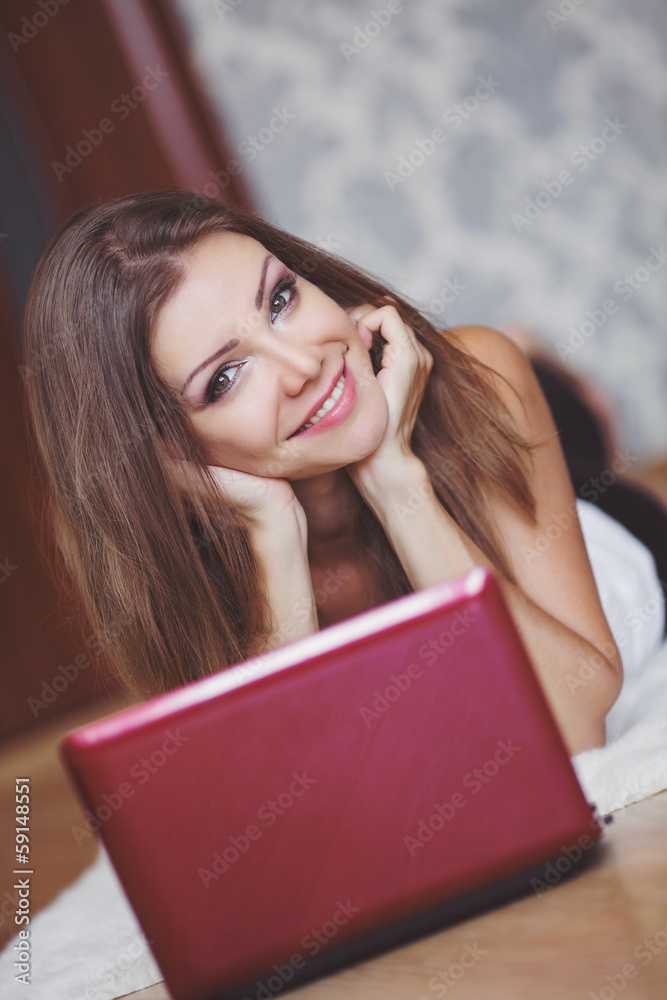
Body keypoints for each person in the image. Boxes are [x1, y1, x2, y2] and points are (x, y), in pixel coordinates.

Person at [20, 191, 664, 757]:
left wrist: (396, 478)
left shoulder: (479, 383)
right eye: (224, 378)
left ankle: (548, 372)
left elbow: (575, 734)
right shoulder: (176, 578)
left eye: (280, 299)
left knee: (530, 393)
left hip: (588, 515)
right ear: (166, 455)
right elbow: (296, 808)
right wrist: (273, 537)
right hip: (367, 440)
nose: (302, 364)